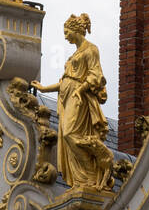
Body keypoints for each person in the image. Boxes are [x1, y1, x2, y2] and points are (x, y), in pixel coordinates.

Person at [34, 13, 113, 190]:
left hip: (79, 98)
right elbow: (65, 82)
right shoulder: (74, 54)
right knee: (66, 136)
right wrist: (43, 88)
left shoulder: (91, 49)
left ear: (76, 30)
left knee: (71, 134)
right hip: (67, 97)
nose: (65, 35)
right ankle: (82, 180)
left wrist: (80, 89)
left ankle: (91, 175)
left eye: (67, 31)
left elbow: (96, 74)